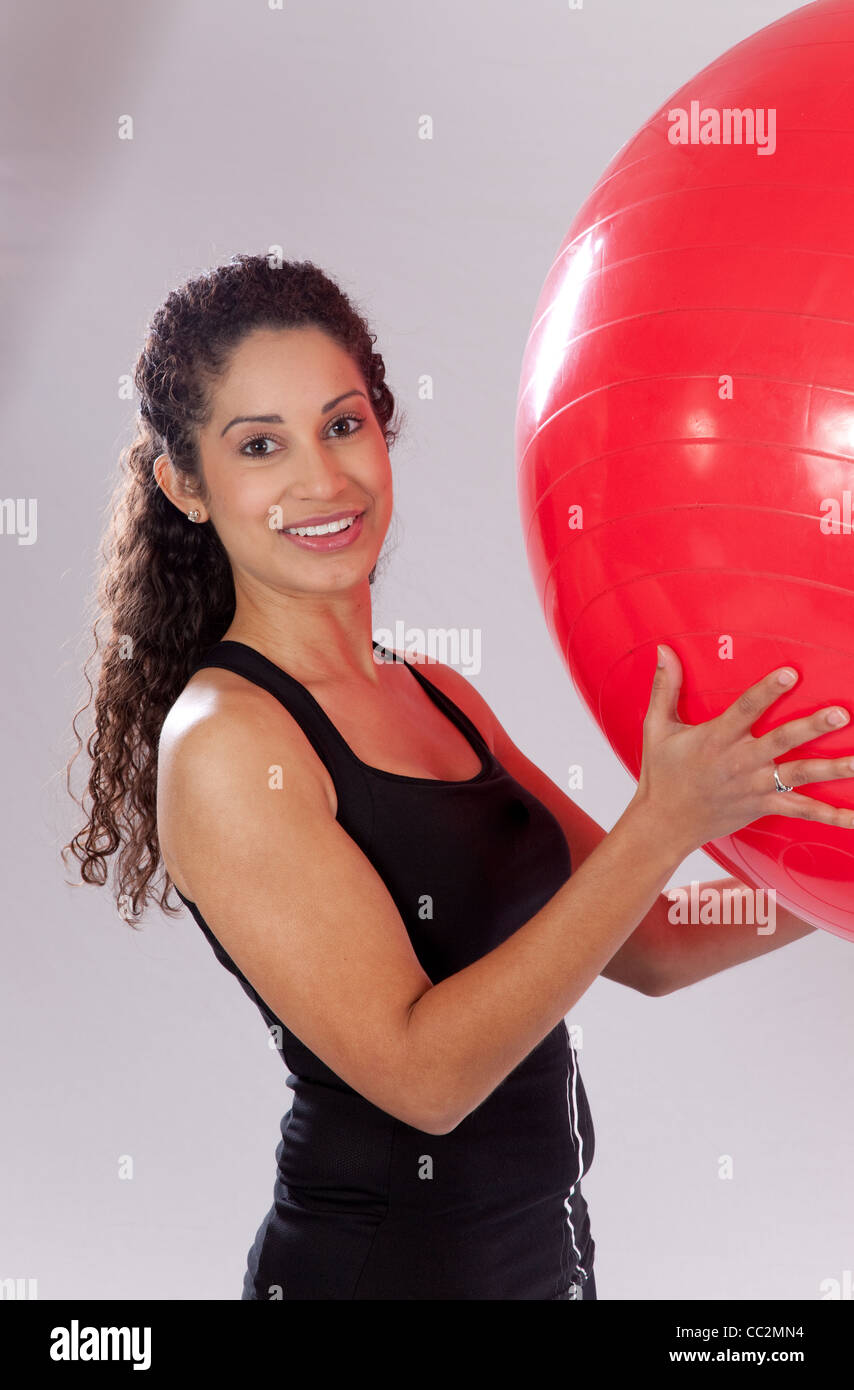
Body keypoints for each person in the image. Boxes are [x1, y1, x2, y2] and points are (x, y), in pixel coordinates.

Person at [63, 252, 854, 1300]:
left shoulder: (435, 694)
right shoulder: (226, 740)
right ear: (186, 486)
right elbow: (425, 1079)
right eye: (260, 445)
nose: (321, 480)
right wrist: (662, 821)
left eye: (342, 424)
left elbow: (652, 941)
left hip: (543, 1265)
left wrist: (832, 861)